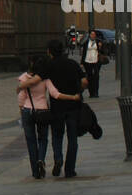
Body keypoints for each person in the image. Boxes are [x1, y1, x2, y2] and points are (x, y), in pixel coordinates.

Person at [20, 43, 86, 179]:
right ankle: (70, 169)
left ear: (49, 52)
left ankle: (58, 159)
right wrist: (78, 92)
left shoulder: (48, 66)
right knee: (73, 138)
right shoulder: (73, 63)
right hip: (73, 107)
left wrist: (21, 86)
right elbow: (85, 81)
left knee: (57, 136)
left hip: (57, 108)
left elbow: (36, 80)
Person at [81, 28, 105, 98]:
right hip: (87, 61)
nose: (93, 35)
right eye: (92, 34)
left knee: (96, 77)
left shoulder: (98, 42)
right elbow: (83, 53)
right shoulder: (86, 42)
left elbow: (103, 52)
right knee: (89, 77)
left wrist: (100, 47)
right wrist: (82, 63)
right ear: (89, 35)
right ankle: (91, 93)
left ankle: (96, 92)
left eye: (94, 34)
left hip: (96, 61)